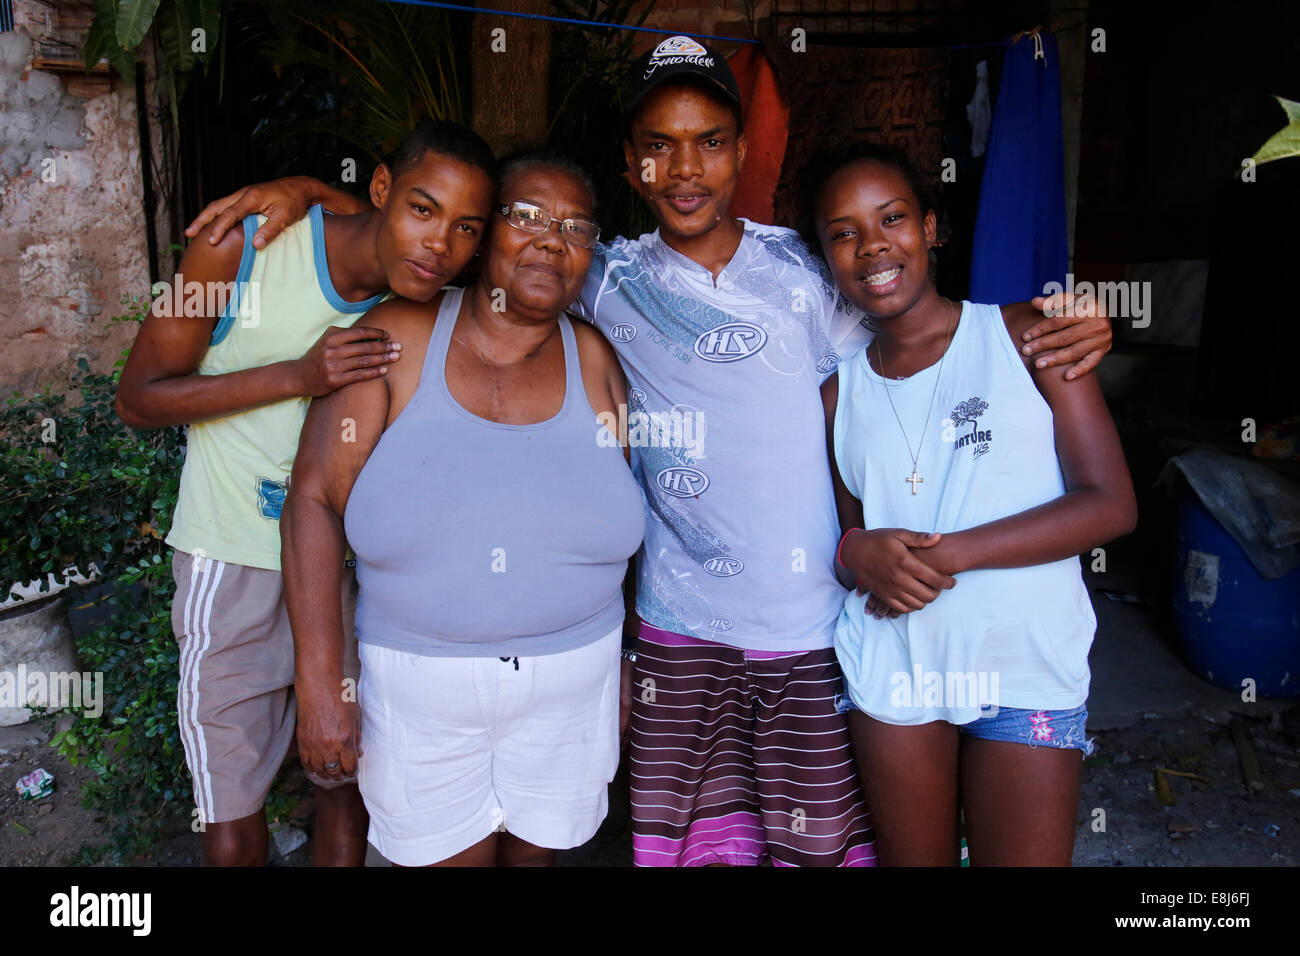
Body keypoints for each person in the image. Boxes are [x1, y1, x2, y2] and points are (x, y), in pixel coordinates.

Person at [183, 36, 1114, 867]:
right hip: (679, 627)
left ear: (743, 153)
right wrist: (315, 195)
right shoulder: (607, 278)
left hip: (810, 625)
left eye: (710, 141)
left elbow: (893, 343)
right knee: (687, 843)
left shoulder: (806, 268)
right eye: (658, 146)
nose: (686, 167)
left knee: (815, 840)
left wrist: (1052, 325)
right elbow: (460, 234)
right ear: (630, 166)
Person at [114, 120, 497, 866]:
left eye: (466, 230)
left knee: (345, 786)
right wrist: (296, 375)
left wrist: (311, 186)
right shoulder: (244, 247)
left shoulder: (430, 299)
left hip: (357, 572)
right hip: (233, 556)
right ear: (383, 190)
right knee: (230, 812)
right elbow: (138, 398)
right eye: (423, 210)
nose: (438, 244)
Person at [280, 150, 645, 867]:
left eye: (575, 227)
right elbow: (314, 500)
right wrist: (321, 681)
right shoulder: (397, 337)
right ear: (485, 236)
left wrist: (629, 660)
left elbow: (630, 521)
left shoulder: (597, 360)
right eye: (528, 216)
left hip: (575, 687)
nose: (551, 240)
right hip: (420, 693)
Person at [806, 142, 1137, 865]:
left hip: (1024, 664)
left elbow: (1110, 503)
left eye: (892, 218)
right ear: (827, 259)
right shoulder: (838, 395)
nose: (872, 247)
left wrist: (949, 552)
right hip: (899, 665)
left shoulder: (1028, 335)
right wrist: (854, 553)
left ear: (931, 227)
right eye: (843, 233)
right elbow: (844, 541)